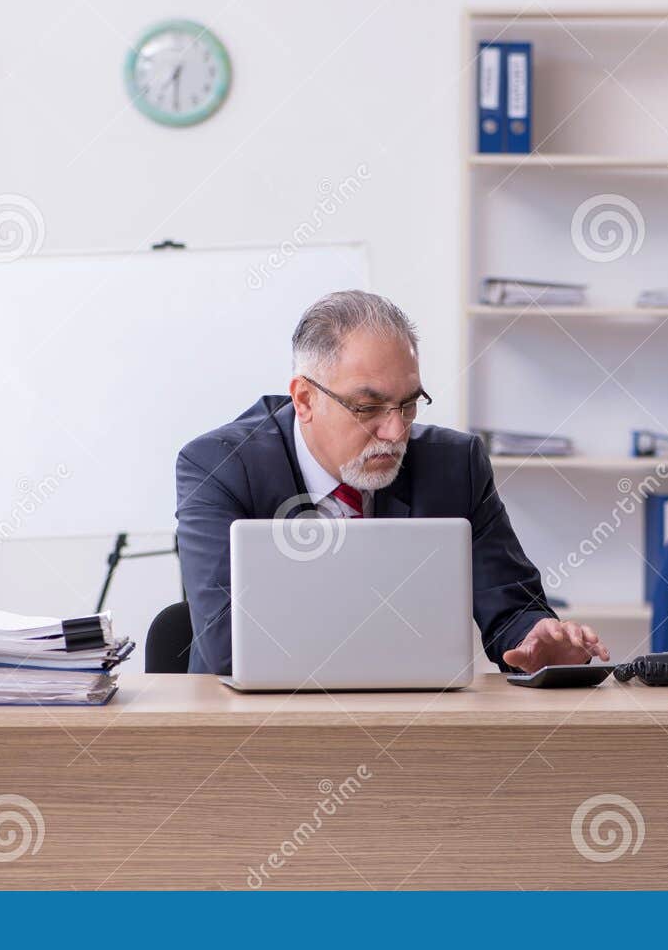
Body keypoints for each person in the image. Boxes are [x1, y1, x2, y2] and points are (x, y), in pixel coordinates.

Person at [176, 289, 610, 677]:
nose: (395, 431)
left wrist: (535, 640)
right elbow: (227, 644)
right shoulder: (220, 466)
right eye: (368, 407)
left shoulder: (455, 465)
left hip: (407, 726)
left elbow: (509, 605)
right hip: (250, 728)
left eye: (408, 404)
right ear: (305, 399)